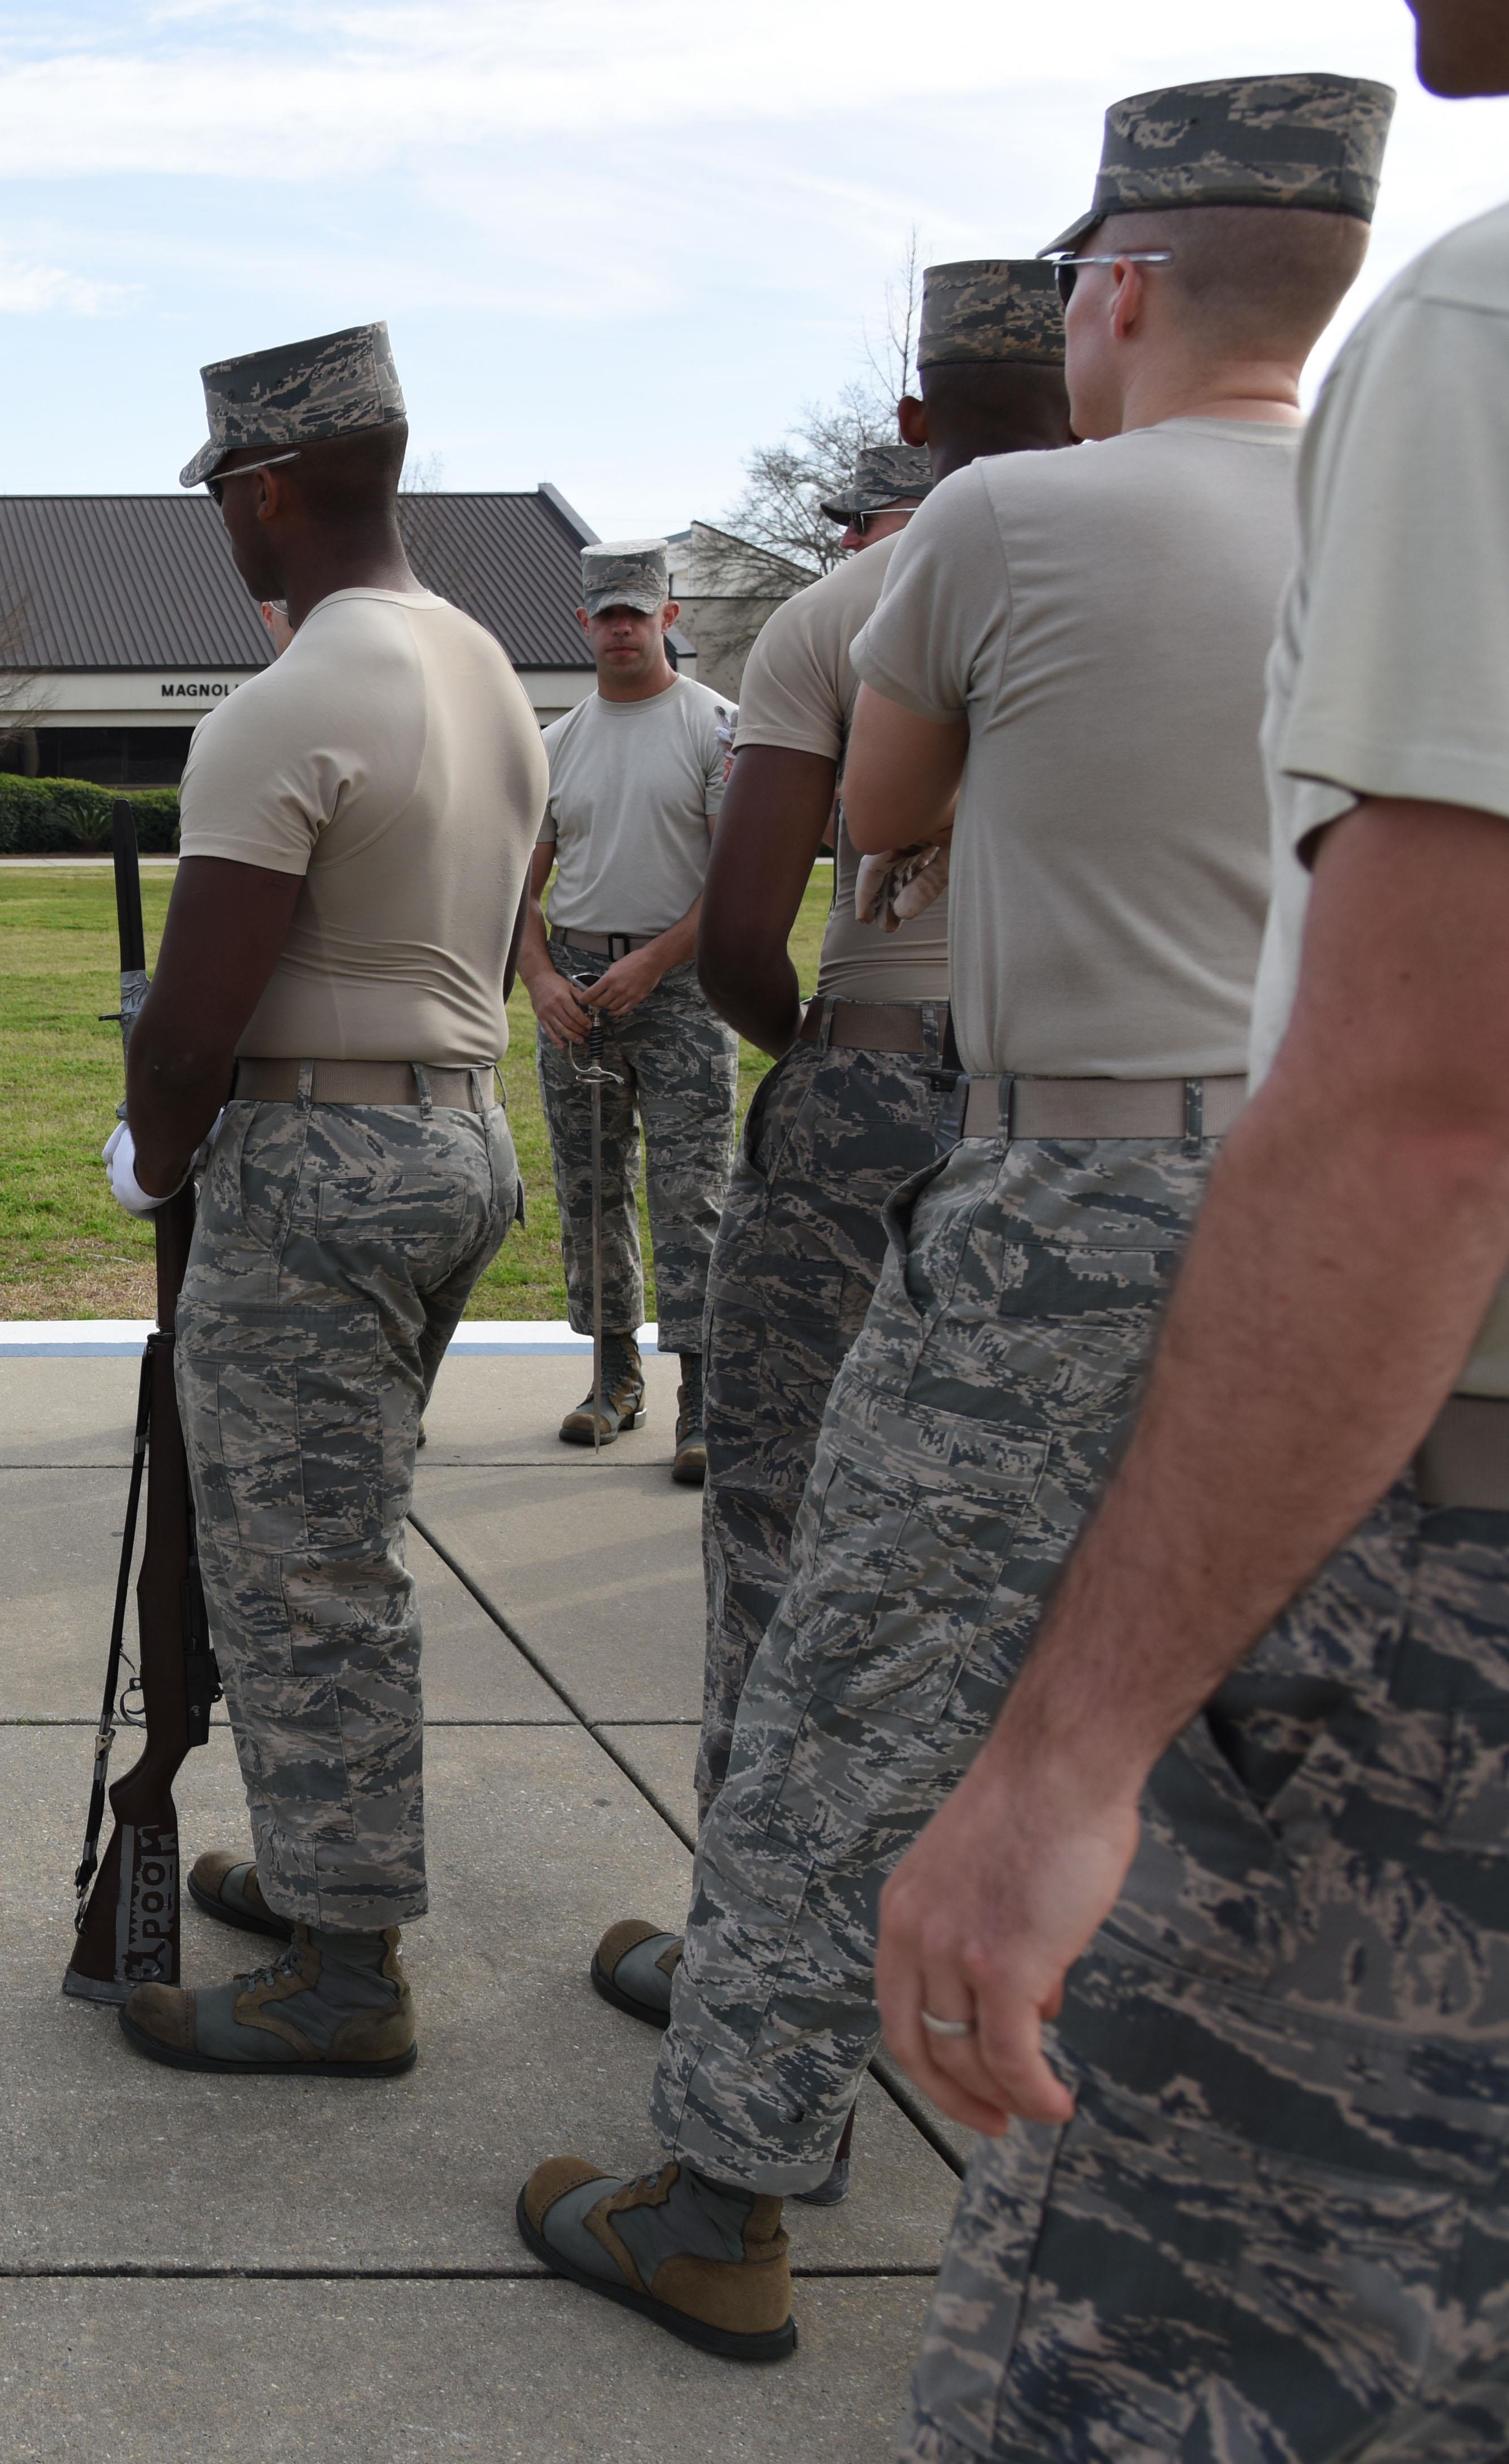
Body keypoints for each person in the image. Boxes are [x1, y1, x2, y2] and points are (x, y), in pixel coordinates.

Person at [518, 70, 1386, 2366]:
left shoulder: (1004, 523)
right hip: (1324, 1182)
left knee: (852, 1666)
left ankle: (721, 2184)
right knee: (1231, 1703)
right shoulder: (1412, 511)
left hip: (1067, 1169)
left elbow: (879, 803)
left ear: (1119, 286)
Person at [873, 33, 1507, 2464]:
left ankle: (718, 2160)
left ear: (1110, 289)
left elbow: (1415, 1116)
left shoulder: (1463, 348)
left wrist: (1067, 1755)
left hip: (1428, 1599)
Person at [590, 267, 1077, 2026]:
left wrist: (818, 1060)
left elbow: (739, 930)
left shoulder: (848, 608)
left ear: (916, 419)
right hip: (1102, 1095)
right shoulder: (1241, 563)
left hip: (878, 1067)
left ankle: (757, 1939)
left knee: (783, 1527)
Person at [96, 321, 547, 2077]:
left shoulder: (282, 705)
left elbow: (193, 1023)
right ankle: (318, 1862)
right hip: (456, 1136)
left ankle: (348, 1969)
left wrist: (152, 1151)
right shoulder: (487, 665)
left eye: (226, 492)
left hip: (318, 1168)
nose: (225, 521)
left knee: (300, 1567)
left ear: (270, 488)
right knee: (334, 1535)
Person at [511, 540, 740, 1470]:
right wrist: (539, 978)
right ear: (584, 625)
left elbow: (737, 880)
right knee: (592, 1191)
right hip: (579, 991)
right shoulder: (557, 744)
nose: (620, 630)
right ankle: (613, 1379)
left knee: (695, 1196)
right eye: (605, 616)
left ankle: (701, 1396)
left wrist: (656, 962)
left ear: (668, 619)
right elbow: (517, 886)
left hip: (682, 991)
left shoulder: (718, 729)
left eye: (636, 615)